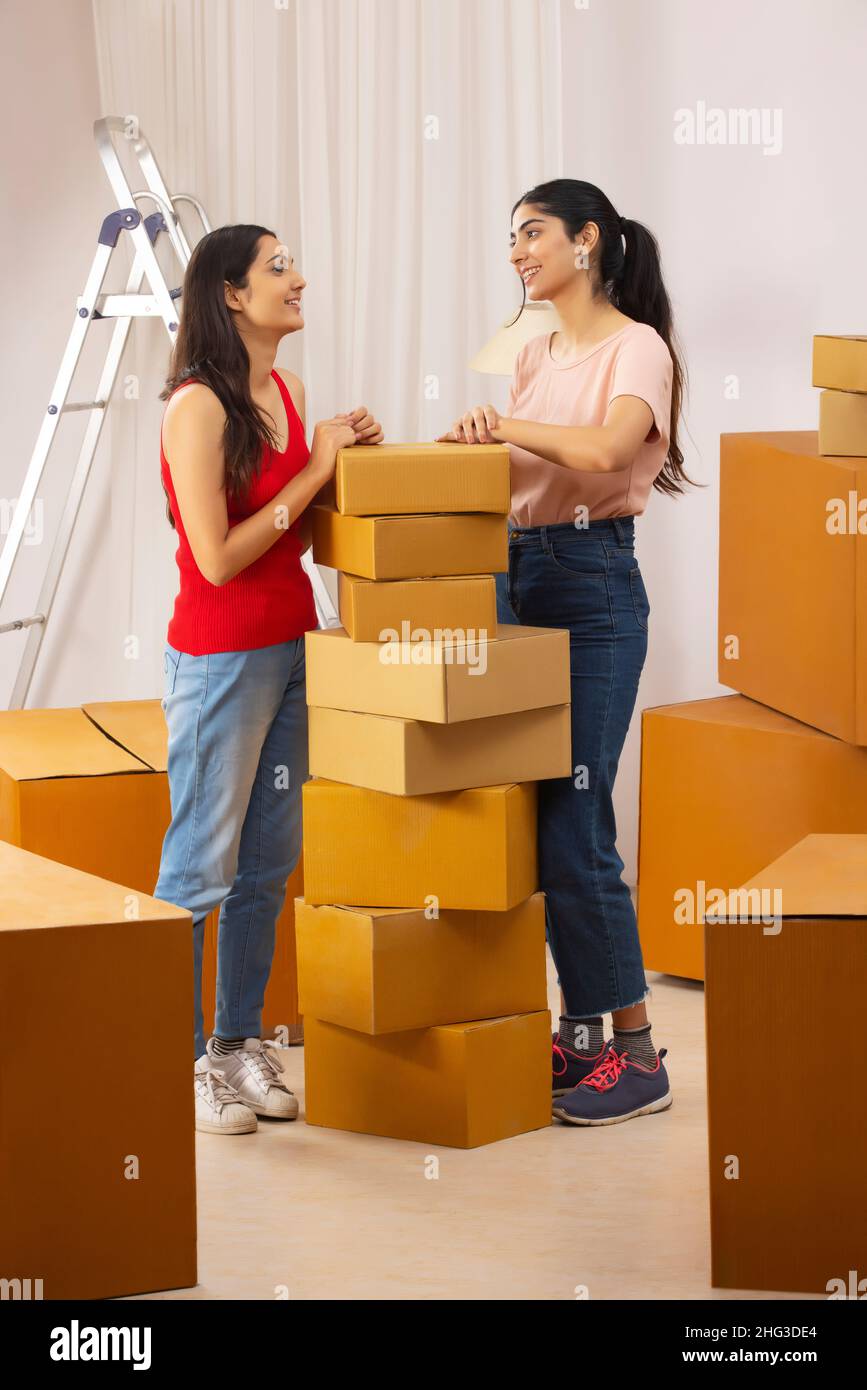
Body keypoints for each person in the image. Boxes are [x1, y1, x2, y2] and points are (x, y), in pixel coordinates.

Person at [439, 179, 700, 1125]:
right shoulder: (536, 353)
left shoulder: (637, 348)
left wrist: (506, 423)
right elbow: (523, 471)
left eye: (532, 233)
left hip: (592, 590)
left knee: (575, 821)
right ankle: (580, 1034)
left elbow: (602, 452)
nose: (516, 251)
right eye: (509, 236)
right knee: (532, 813)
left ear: (586, 240)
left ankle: (637, 1055)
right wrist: (468, 442)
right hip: (520, 578)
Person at [154, 224, 383, 1135]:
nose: (299, 279)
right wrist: (316, 469)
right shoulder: (197, 405)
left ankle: (236, 1041)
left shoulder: (279, 390)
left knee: (265, 865)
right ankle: (181, 1061)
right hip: (219, 659)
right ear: (232, 297)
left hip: (293, 648)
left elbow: (288, 525)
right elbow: (216, 560)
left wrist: (344, 458)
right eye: (277, 268)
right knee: (199, 866)